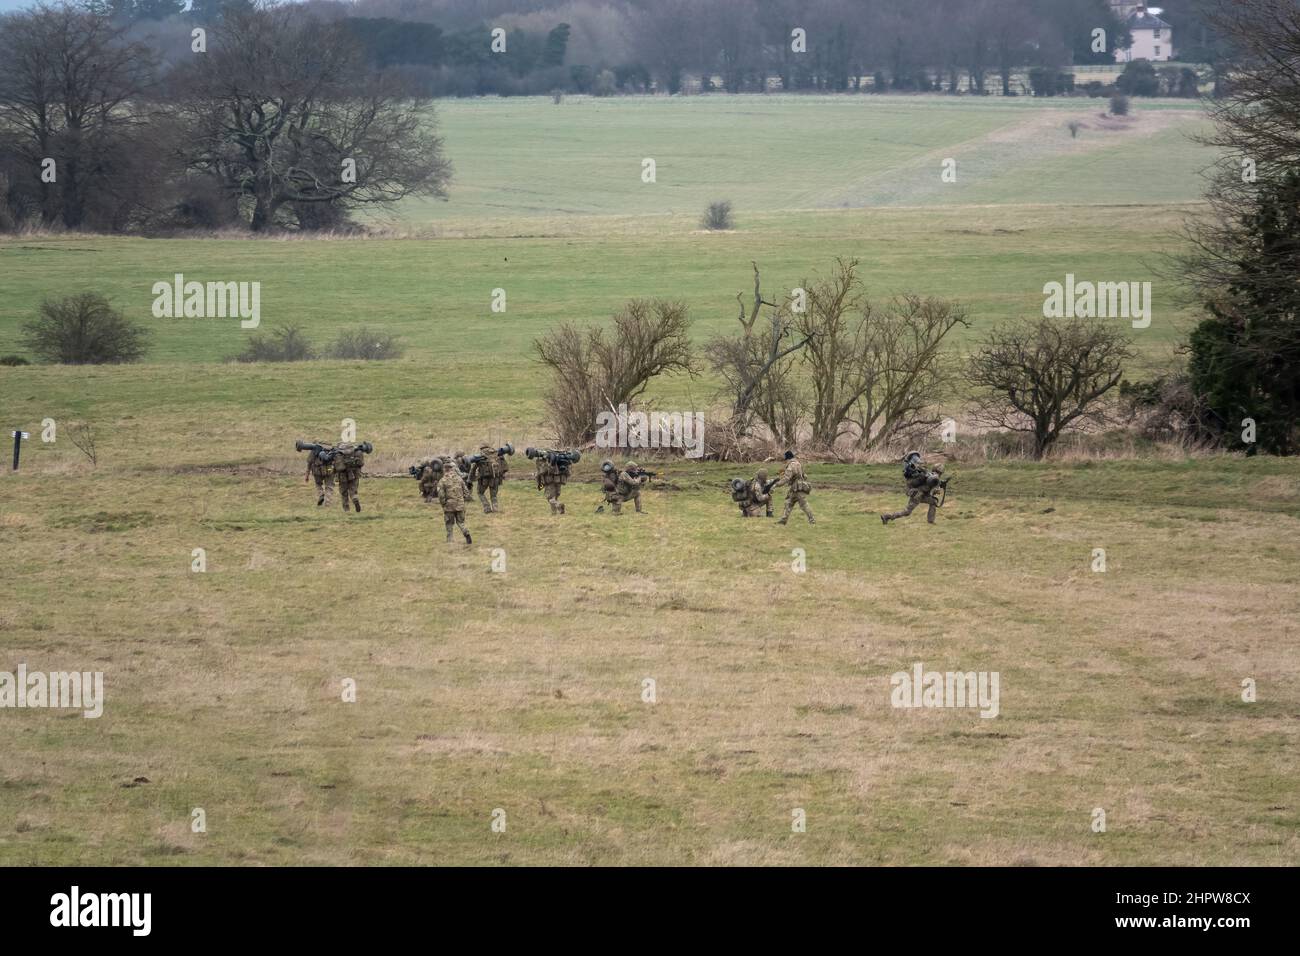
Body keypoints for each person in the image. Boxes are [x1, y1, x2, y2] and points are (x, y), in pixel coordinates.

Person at [881, 451, 945, 525]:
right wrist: (936, 490)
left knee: (933, 502)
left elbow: (928, 488)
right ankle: (887, 516)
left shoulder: (928, 475)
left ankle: (930, 521)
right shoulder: (932, 478)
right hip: (918, 495)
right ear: (940, 472)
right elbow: (930, 489)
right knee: (907, 512)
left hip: (918, 494)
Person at [436, 459, 472, 544]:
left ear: (444, 469)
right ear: (452, 468)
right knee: (461, 522)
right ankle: (466, 532)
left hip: (449, 506)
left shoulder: (443, 480)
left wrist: (443, 504)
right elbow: (466, 492)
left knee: (449, 524)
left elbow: (441, 495)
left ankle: (450, 541)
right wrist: (462, 500)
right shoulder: (459, 479)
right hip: (460, 504)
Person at [774, 450, 814, 525]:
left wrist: (777, 484)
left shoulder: (791, 465)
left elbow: (786, 478)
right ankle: (783, 520)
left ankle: (812, 520)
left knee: (802, 504)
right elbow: (804, 475)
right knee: (789, 503)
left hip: (795, 488)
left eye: (786, 459)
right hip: (799, 487)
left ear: (788, 458)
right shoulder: (798, 463)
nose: (785, 461)